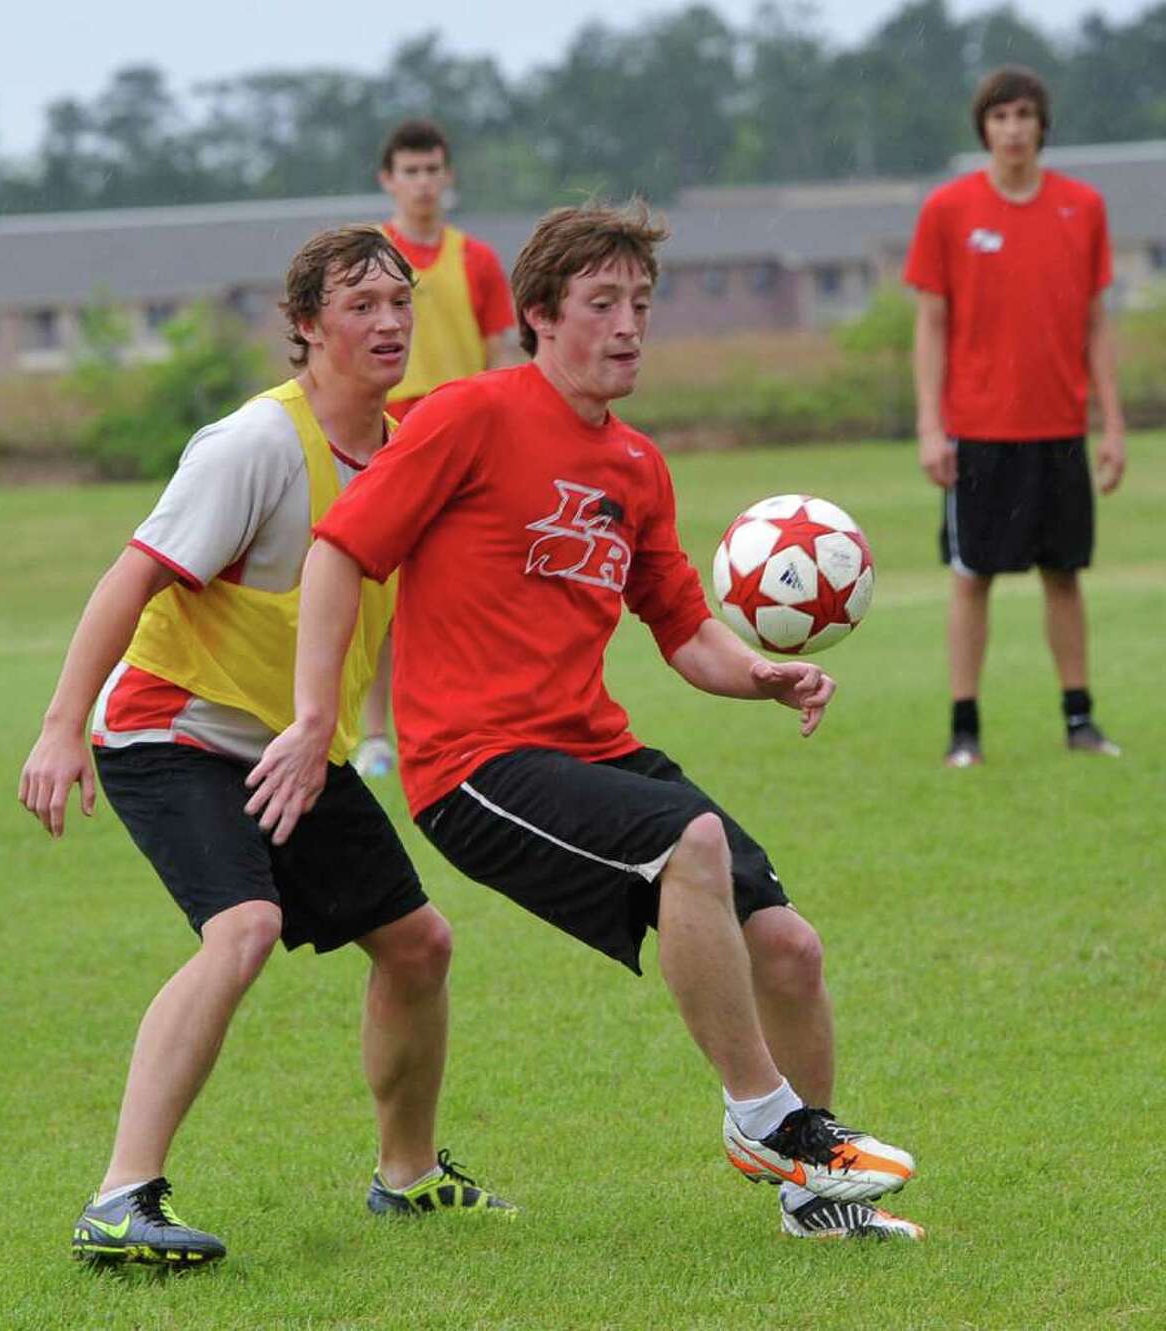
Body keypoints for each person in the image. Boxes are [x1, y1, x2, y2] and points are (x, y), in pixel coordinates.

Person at [246, 202, 925, 1242]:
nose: (627, 326)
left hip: (587, 742)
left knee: (789, 946)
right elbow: (341, 549)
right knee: (685, 840)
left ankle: (814, 1197)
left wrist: (763, 675)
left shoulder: (638, 467)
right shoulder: (468, 415)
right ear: (539, 316)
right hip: (471, 762)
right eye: (601, 303)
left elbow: (687, 631)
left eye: (641, 305)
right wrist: (308, 716)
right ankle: (762, 1117)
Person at [18, 225, 512, 1268]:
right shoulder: (253, 444)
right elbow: (132, 578)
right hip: (171, 726)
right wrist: (62, 725)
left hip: (290, 746)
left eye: (399, 303)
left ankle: (408, 1177)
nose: (387, 323)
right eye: (359, 305)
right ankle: (120, 1196)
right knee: (242, 925)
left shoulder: (407, 446)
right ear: (304, 325)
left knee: (420, 944)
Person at [906, 65, 1126, 768]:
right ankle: (964, 728)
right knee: (973, 577)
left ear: (1041, 126)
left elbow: (1096, 324)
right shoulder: (948, 210)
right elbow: (931, 326)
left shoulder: (1082, 207)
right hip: (977, 431)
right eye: (1000, 117)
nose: (1013, 129)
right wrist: (931, 426)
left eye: (1025, 115)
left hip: (1060, 428)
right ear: (984, 128)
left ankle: (1080, 718)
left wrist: (1112, 424)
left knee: (1064, 575)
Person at [355, 119, 521, 780]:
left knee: (471, 584)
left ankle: (480, 721)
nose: (423, 183)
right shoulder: (370, 254)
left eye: (433, 170)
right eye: (411, 171)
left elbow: (502, 353)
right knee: (378, 590)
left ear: (448, 177)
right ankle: (373, 734)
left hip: (464, 438)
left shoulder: (475, 258)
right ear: (388, 180)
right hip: (388, 434)